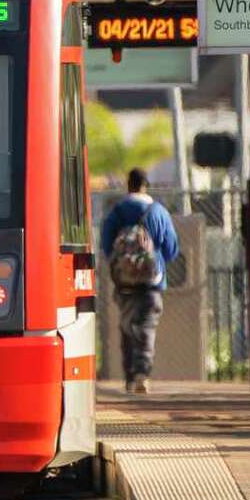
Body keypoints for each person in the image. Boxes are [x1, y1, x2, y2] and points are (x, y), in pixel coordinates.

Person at [99, 169, 181, 394]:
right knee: (146, 327)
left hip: (123, 282)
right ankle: (142, 374)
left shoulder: (116, 212)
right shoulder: (158, 212)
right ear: (146, 185)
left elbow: (106, 246)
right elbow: (172, 249)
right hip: (151, 283)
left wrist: (124, 265)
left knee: (127, 327)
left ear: (128, 185)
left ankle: (128, 378)